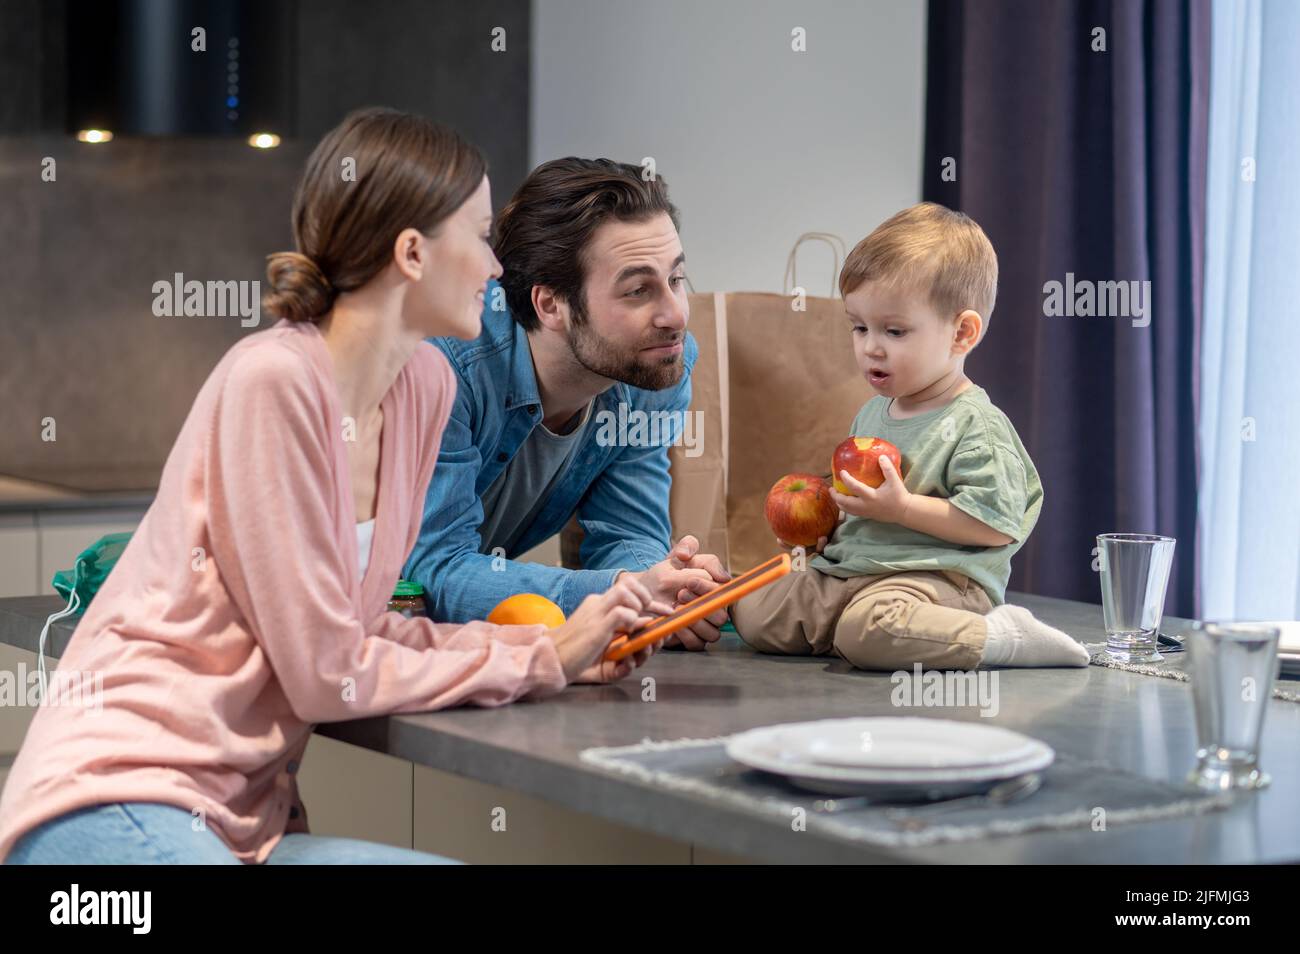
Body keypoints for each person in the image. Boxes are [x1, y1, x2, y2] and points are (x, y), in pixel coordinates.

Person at [0, 108, 666, 866]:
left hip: (243, 821)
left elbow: (358, 633)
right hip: (116, 795)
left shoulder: (419, 389)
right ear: (412, 254)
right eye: (480, 238)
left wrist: (550, 640)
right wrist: (542, 659)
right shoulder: (272, 382)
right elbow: (324, 676)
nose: (495, 268)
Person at [731, 202, 1090, 671]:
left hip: (933, 581)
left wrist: (902, 509)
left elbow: (997, 523)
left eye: (894, 330)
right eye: (858, 327)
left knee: (871, 630)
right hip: (854, 572)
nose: (870, 346)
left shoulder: (974, 424)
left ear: (961, 333)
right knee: (754, 610)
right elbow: (859, 512)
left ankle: (1000, 636)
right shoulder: (870, 415)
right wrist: (819, 530)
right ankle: (856, 630)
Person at [404, 157, 729, 650]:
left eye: (677, 279)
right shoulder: (444, 367)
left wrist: (663, 584)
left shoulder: (654, 369)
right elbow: (433, 575)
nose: (675, 314)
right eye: (639, 290)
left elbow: (627, 527)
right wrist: (619, 592)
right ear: (550, 304)